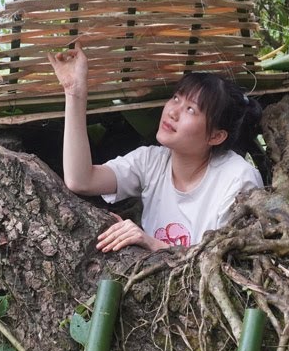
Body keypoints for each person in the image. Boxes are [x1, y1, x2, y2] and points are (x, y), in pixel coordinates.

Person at [49, 45, 265, 252]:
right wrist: (74, 93)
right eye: (176, 98)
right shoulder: (152, 161)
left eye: (190, 109)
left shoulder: (238, 179)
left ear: (216, 136)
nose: (173, 111)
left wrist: (152, 244)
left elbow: (226, 262)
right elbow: (81, 180)